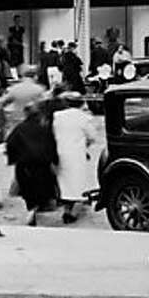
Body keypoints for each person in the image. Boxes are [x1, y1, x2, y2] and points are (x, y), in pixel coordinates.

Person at [5, 100, 58, 225]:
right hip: (41, 164)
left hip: (24, 164)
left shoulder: (19, 128)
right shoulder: (43, 129)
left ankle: (31, 209)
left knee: (27, 190)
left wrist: (12, 159)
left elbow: (10, 144)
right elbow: (51, 144)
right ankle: (37, 207)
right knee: (41, 187)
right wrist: (54, 159)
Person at [51, 88, 97, 224]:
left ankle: (66, 207)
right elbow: (92, 136)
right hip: (76, 152)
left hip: (60, 151)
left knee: (64, 181)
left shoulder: (57, 116)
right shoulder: (83, 117)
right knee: (76, 180)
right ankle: (71, 209)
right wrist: (85, 144)